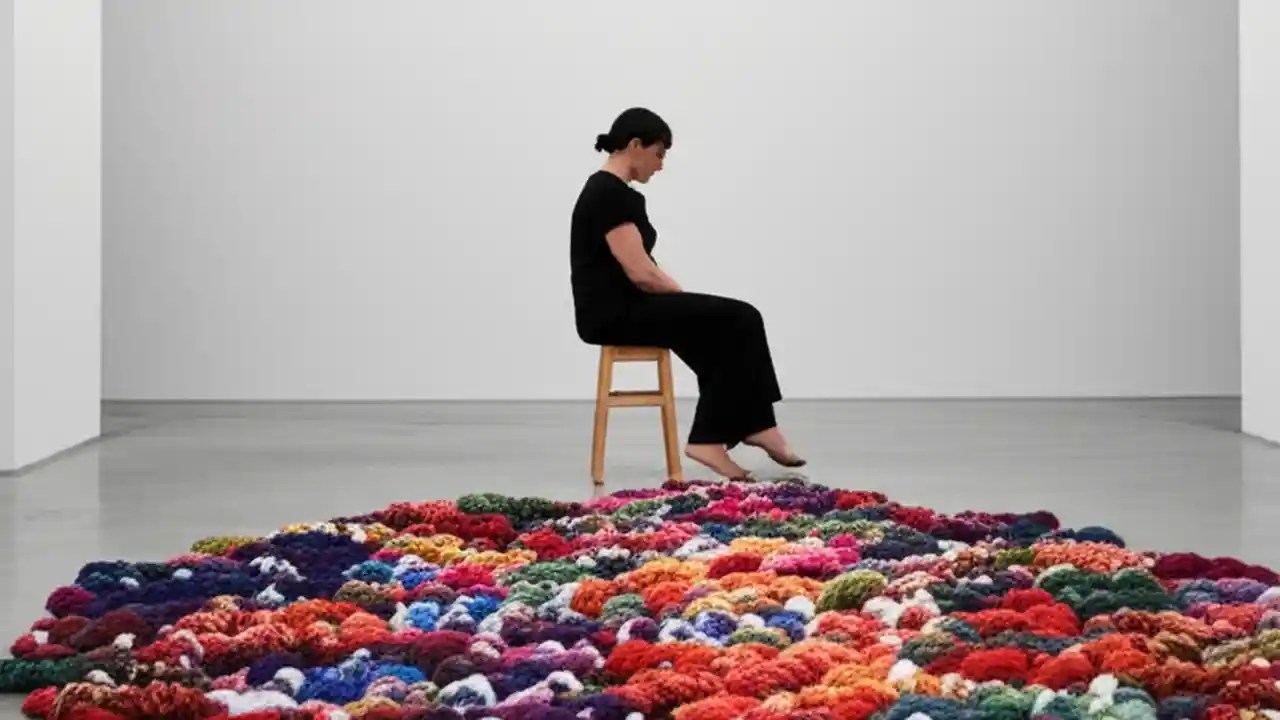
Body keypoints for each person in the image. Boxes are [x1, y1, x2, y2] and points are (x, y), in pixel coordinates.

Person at [569, 107, 806, 481]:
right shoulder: (608, 194)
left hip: (627, 307)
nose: (660, 165)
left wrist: (685, 303)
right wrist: (682, 298)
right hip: (614, 313)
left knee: (726, 333)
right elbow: (641, 272)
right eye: (659, 153)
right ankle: (729, 433)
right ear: (635, 145)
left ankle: (750, 428)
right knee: (741, 317)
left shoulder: (613, 193)